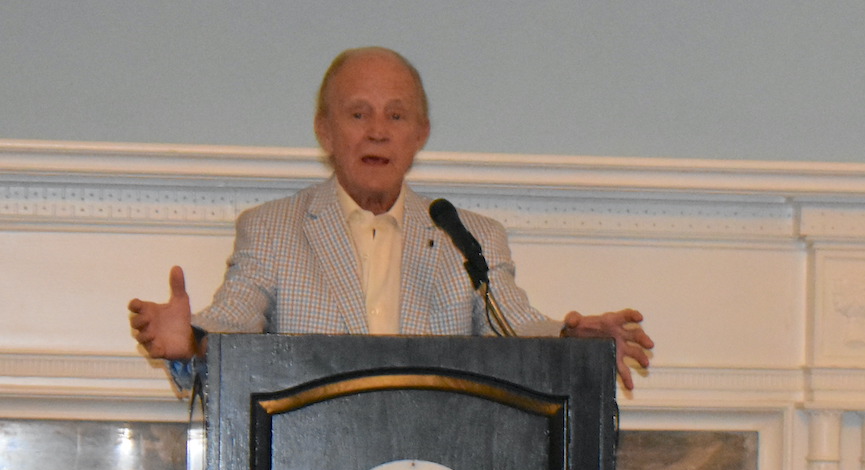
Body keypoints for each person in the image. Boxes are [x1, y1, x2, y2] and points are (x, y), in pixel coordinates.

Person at [129, 46, 653, 389]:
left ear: (419, 135)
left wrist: (571, 343)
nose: (378, 131)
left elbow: (513, 326)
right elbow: (233, 323)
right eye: (358, 114)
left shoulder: (468, 236)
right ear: (325, 132)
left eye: (395, 116)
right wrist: (191, 341)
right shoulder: (271, 229)